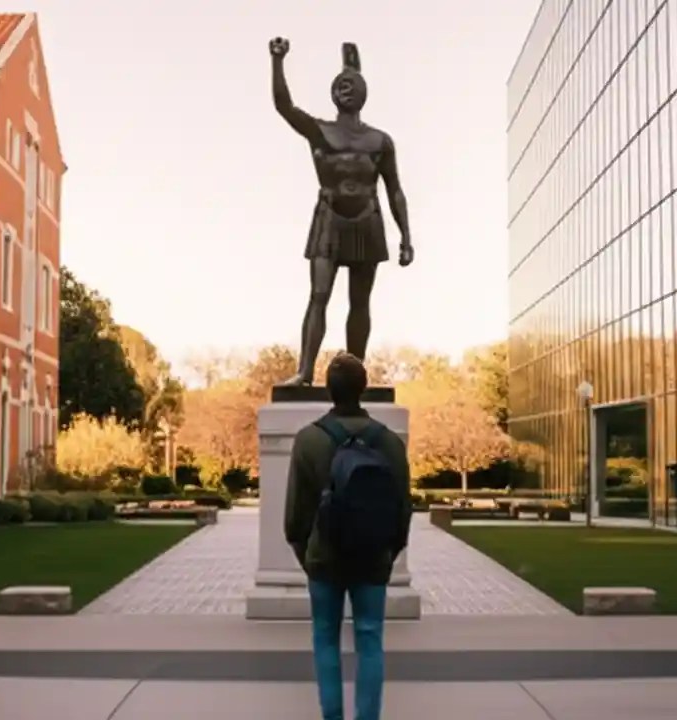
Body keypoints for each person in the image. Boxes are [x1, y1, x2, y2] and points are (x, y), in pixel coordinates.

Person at [267, 37, 415, 386]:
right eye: (340, 85)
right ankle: (305, 371)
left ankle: (355, 374)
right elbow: (283, 105)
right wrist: (277, 61)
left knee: (360, 302)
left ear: (364, 92)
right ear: (333, 93)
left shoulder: (380, 141)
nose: (346, 90)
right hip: (330, 217)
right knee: (319, 295)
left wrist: (407, 236)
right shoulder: (320, 131)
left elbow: (395, 189)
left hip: (367, 218)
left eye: (352, 84)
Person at [284, 353, 413, 720]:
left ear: (329, 389)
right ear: (364, 388)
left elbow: (295, 514)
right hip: (373, 557)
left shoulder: (308, 439)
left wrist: (307, 554)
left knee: (325, 639)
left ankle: (333, 716)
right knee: (370, 639)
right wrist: (390, 551)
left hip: (324, 558)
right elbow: (404, 507)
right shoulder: (389, 443)